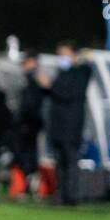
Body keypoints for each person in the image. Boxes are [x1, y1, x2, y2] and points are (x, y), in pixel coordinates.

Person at [39, 41, 92, 207]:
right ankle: (61, 194)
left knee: (70, 161)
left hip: (71, 126)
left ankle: (71, 197)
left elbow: (67, 93)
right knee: (59, 162)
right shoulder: (62, 73)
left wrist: (50, 85)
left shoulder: (81, 73)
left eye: (64, 54)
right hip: (58, 125)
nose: (61, 58)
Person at [11, 52, 45, 198]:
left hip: (31, 124)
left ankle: (31, 186)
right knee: (22, 156)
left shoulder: (37, 79)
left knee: (30, 156)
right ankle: (23, 186)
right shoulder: (25, 79)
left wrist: (28, 120)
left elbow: (31, 105)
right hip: (24, 124)